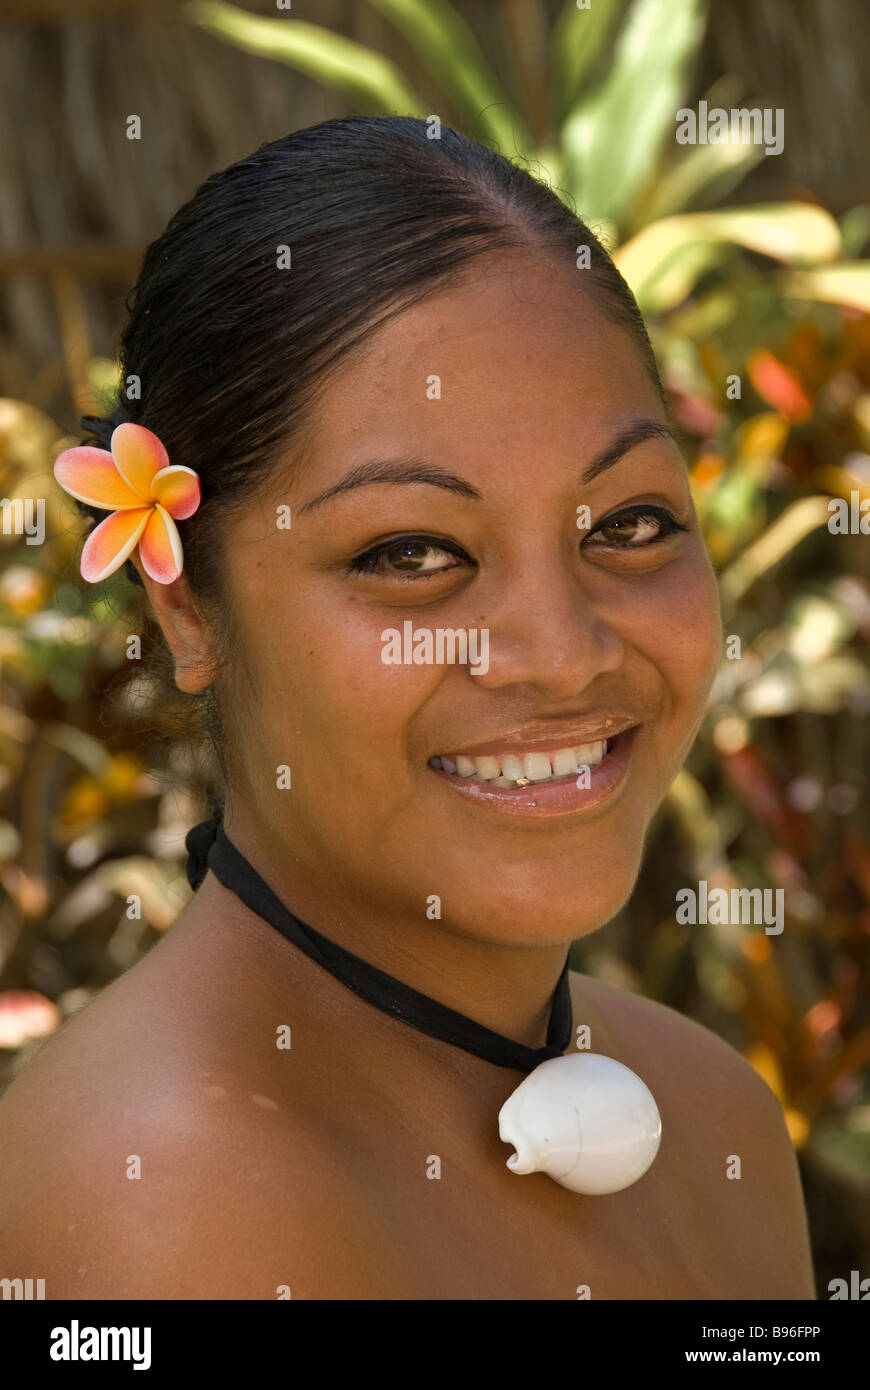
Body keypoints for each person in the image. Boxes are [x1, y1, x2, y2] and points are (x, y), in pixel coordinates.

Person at [0, 117, 814, 1299]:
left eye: (627, 524)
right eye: (412, 552)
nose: (560, 655)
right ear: (188, 610)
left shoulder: (716, 1117)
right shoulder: (173, 1208)